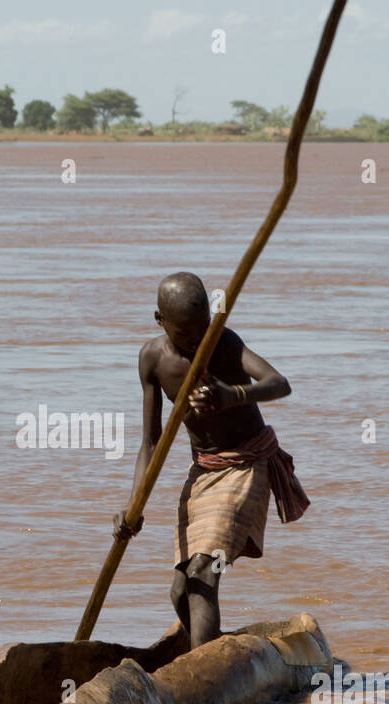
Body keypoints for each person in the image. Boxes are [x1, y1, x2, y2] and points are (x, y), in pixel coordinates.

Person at [113, 271, 309, 648]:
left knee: (204, 573)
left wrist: (232, 394)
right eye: (184, 334)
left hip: (246, 465)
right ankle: (209, 650)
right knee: (180, 589)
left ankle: (202, 671)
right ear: (159, 320)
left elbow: (279, 383)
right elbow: (151, 442)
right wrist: (132, 506)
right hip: (204, 471)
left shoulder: (224, 343)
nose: (195, 341)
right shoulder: (151, 359)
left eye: (201, 329)